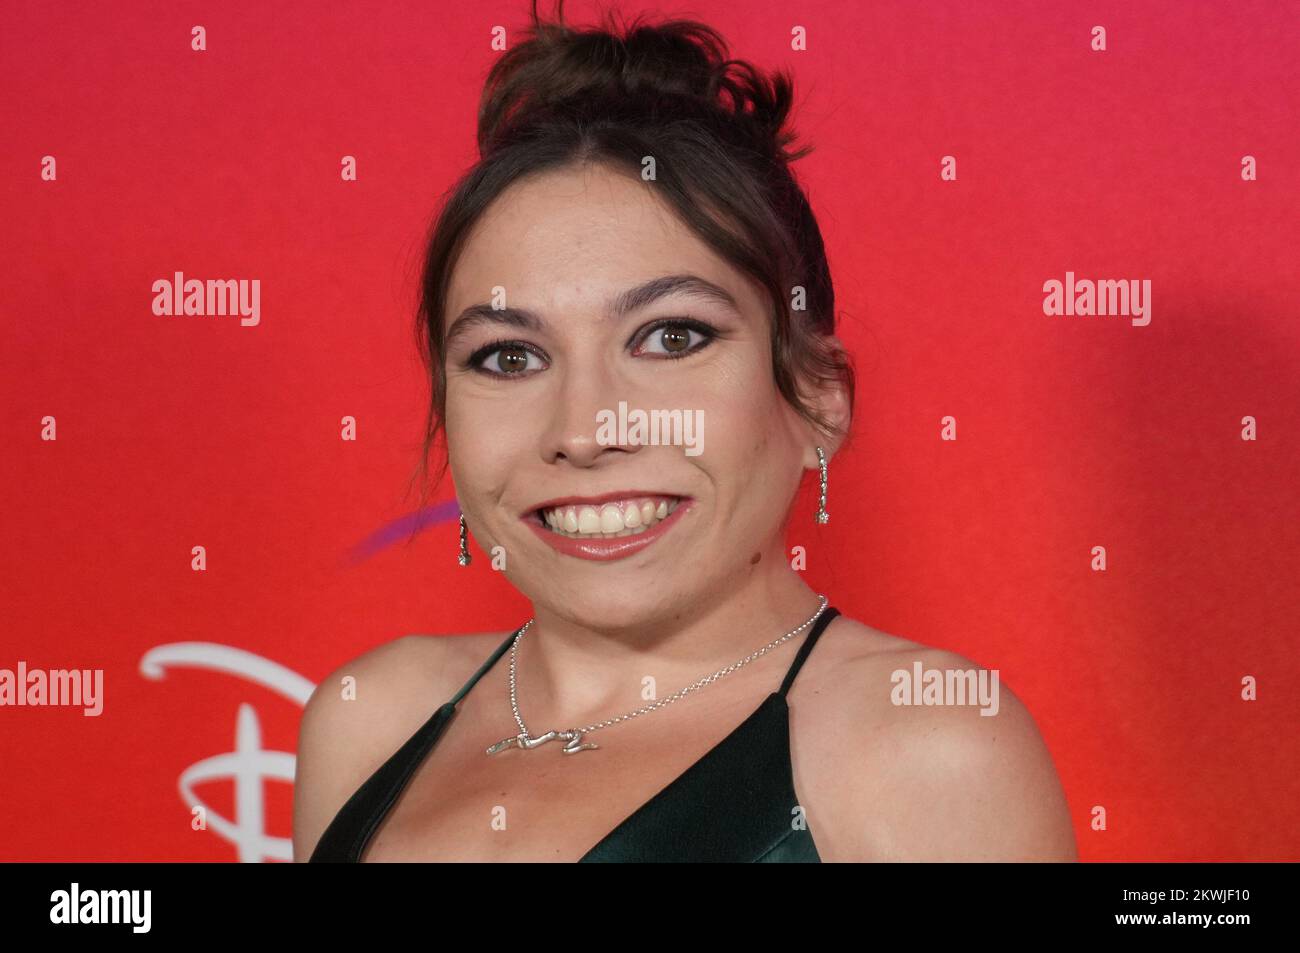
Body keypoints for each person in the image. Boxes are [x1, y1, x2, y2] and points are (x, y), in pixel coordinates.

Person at [292, 0, 1077, 862]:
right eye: (509, 357)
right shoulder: (368, 718)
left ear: (817, 395)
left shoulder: (923, 748)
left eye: (672, 337)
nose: (586, 430)